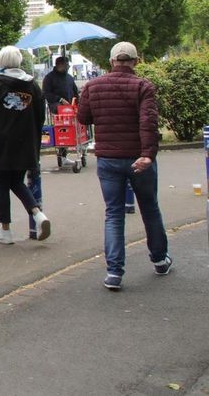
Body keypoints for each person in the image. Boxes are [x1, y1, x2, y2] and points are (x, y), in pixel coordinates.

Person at [77, 42, 172, 291]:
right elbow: (148, 123)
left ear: (111, 62)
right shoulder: (143, 87)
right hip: (137, 158)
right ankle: (160, 260)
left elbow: (84, 118)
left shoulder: (93, 86)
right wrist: (148, 154)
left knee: (114, 214)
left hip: (108, 158)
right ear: (136, 61)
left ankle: (114, 272)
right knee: (150, 209)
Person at [0, 46, 52, 244]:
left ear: (1, 62)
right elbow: (41, 115)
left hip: (0, 142)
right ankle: (38, 214)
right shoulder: (32, 85)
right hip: (26, 142)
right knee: (16, 181)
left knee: (1, 185)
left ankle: (5, 230)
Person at [43, 56, 80, 165]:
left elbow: (75, 92)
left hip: (70, 108)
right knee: (62, 130)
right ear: (59, 65)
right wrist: (59, 99)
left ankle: (64, 154)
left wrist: (77, 102)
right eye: (66, 64)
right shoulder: (49, 78)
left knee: (71, 129)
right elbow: (46, 93)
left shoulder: (69, 77)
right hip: (57, 108)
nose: (68, 66)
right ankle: (62, 154)